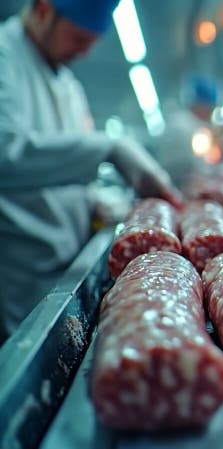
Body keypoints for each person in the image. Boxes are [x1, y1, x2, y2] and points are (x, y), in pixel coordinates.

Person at [0, 0, 181, 342]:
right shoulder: (5, 58)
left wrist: (99, 201)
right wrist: (109, 148)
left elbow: (63, 167)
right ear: (42, 10)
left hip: (72, 261)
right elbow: (7, 154)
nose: (83, 53)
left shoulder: (69, 85)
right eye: (78, 39)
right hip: (22, 270)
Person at [156, 75, 220, 188]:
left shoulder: (192, 124)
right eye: (210, 107)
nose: (210, 113)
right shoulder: (184, 127)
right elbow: (194, 166)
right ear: (201, 104)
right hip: (180, 184)